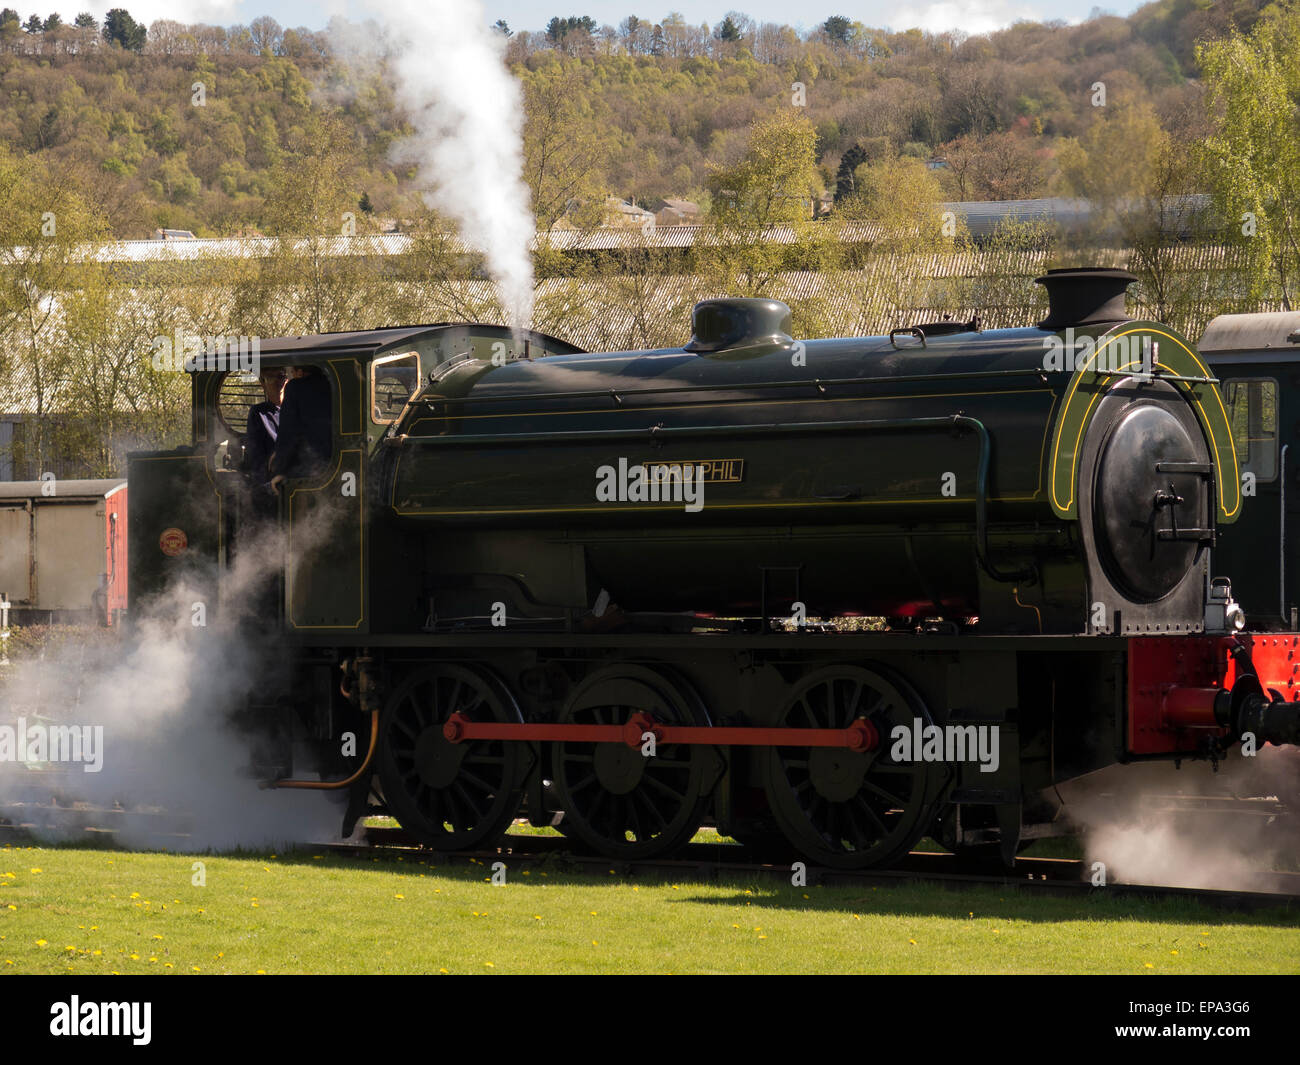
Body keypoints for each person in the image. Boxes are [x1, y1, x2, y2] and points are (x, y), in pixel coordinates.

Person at [270, 364, 332, 495]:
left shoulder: (296, 387)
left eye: (292, 372)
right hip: (333, 466)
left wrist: (280, 469)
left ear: (300, 372)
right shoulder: (332, 384)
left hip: (308, 467)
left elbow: (288, 431)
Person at [244, 366, 287, 487]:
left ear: (287, 380)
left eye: (280, 377)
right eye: (270, 378)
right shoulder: (258, 413)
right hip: (271, 481)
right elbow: (256, 456)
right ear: (263, 383)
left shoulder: (298, 409)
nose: (277, 383)